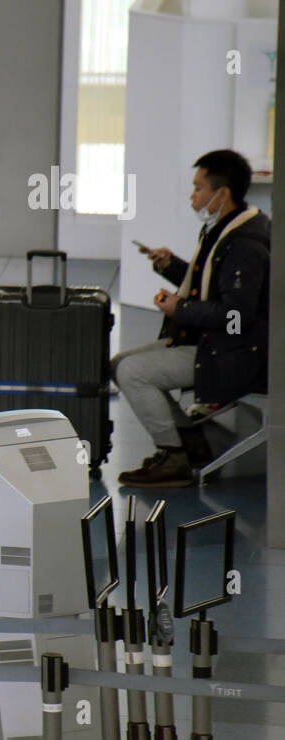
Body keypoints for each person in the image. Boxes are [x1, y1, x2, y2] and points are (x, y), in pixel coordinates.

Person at [111, 149, 270, 488]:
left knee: (131, 372)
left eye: (198, 187)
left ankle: (174, 458)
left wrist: (178, 309)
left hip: (234, 354)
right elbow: (212, 289)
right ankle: (190, 442)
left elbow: (235, 318)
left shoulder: (244, 243)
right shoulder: (228, 227)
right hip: (217, 343)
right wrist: (172, 267)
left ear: (221, 193)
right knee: (120, 362)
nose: (192, 195)